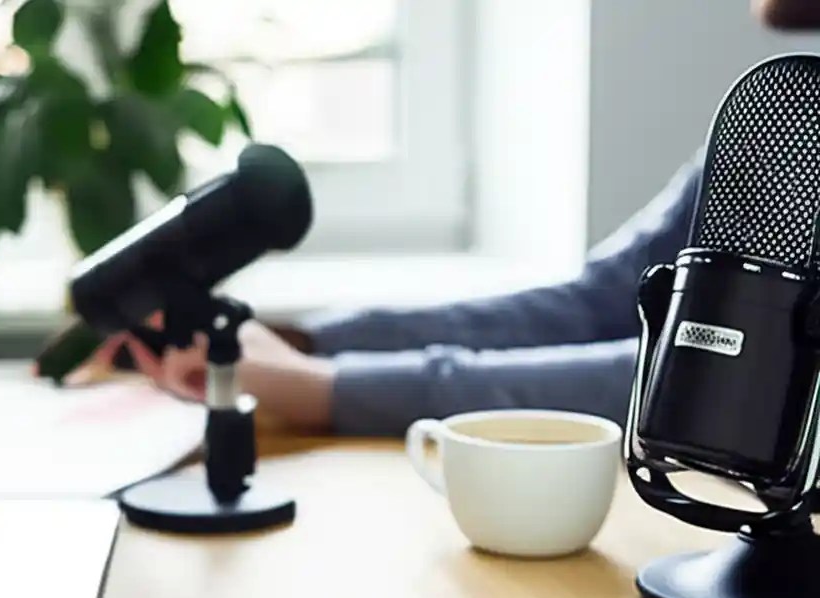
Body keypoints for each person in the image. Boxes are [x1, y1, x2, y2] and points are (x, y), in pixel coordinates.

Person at [107, 0, 820, 436]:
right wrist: (306, 342)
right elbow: (604, 303)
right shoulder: (788, 118)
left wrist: (328, 389)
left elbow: (704, 373)